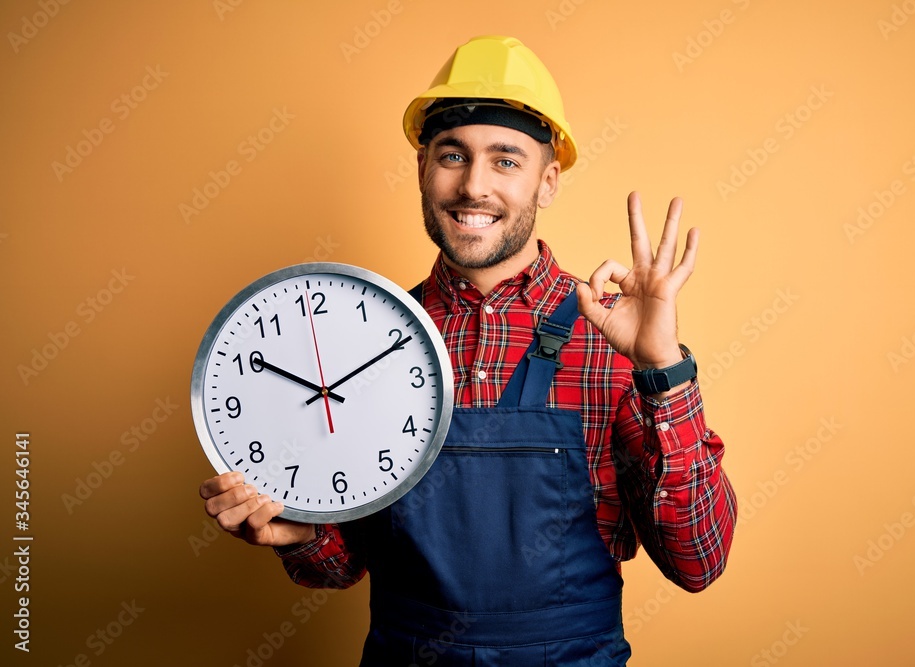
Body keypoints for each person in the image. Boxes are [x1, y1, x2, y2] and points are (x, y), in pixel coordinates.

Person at [200, 35, 736, 666]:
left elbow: (698, 561)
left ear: (548, 181)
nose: (473, 186)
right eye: (452, 155)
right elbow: (341, 565)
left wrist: (661, 368)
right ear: (423, 167)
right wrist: (295, 534)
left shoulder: (616, 339)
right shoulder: (363, 336)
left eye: (506, 160)